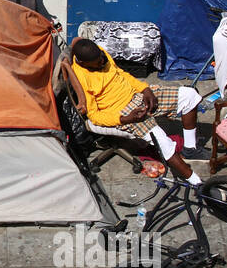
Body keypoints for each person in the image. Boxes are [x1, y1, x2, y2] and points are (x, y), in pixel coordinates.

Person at [70, 38, 206, 183]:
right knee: (161, 140)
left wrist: (145, 89)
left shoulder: (100, 55)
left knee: (189, 95)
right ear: (84, 64)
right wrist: (126, 119)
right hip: (122, 112)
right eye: (97, 63)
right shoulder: (81, 78)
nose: (102, 62)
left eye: (102, 58)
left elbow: (122, 74)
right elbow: (95, 116)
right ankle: (197, 183)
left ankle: (190, 148)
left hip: (137, 95)